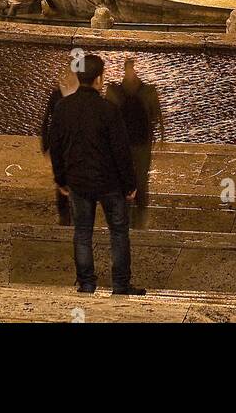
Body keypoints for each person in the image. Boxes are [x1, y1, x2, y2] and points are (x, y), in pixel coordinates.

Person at [48, 53, 144, 297]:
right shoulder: (109, 110)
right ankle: (120, 285)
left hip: (78, 182)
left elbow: (56, 147)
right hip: (109, 182)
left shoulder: (63, 108)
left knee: (82, 232)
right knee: (119, 232)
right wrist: (130, 184)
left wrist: (61, 179)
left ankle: (86, 284)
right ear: (99, 79)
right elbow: (121, 151)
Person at [106, 56, 164, 228]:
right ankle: (140, 211)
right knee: (140, 177)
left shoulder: (114, 92)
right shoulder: (148, 92)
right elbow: (155, 117)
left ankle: (129, 210)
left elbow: (107, 118)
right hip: (140, 142)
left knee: (126, 176)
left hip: (125, 143)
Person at [41, 63, 81, 224]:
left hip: (67, 145)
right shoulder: (63, 95)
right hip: (68, 145)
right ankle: (67, 214)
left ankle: (66, 214)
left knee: (65, 178)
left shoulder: (59, 95)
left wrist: (47, 144)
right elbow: (48, 121)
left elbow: (48, 121)